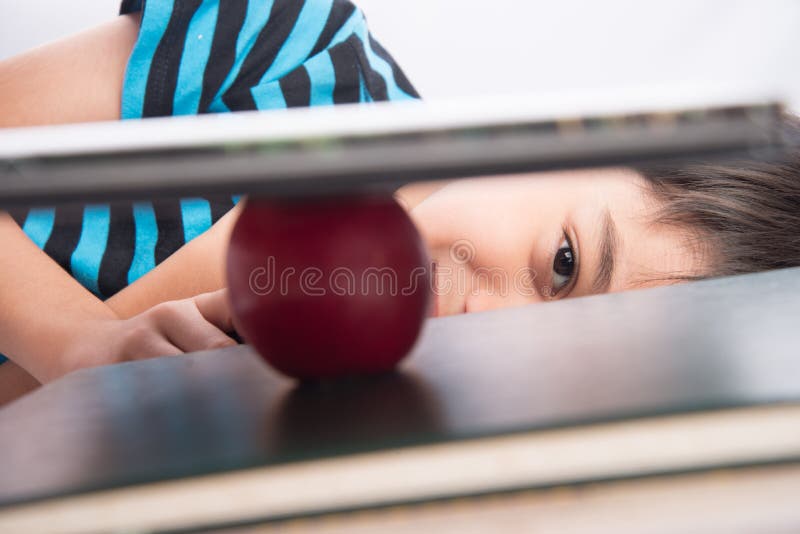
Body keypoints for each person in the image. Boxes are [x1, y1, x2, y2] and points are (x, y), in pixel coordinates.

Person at [3, 1, 800, 404]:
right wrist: (81, 346)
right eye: (563, 265)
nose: (491, 322)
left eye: (556, 364)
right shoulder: (290, 48)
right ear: (578, 139)